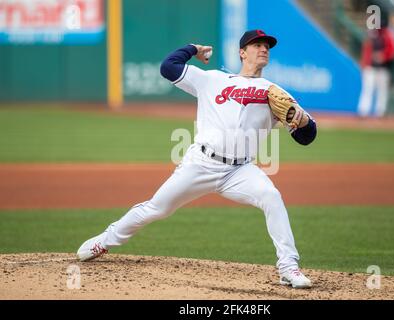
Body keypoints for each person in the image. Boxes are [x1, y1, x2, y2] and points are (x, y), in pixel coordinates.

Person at [76, 29, 317, 289]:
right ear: (242, 52)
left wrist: (303, 122)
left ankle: (288, 267)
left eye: (267, 46)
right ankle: (106, 239)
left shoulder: (274, 93)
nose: (263, 49)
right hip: (201, 163)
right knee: (157, 208)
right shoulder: (212, 79)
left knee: (272, 197)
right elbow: (169, 67)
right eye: (256, 44)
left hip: (240, 170)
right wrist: (193, 49)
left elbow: (306, 137)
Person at [357, 13, 394, 117]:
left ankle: (380, 112)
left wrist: (383, 56)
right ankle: (363, 111)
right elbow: (366, 50)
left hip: (383, 68)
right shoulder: (371, 34)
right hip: (370, 67)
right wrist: (364, 63)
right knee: (368, 89)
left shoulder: (388, 35)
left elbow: (393, 51)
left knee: (382, 91)